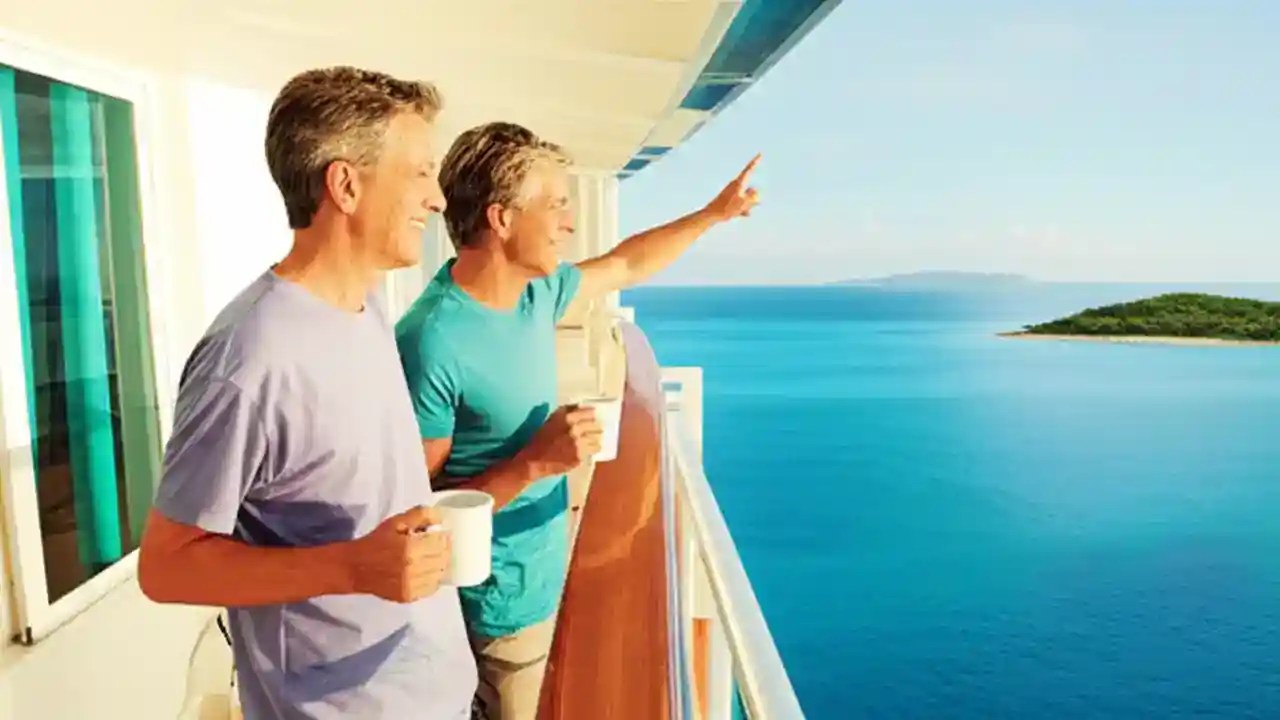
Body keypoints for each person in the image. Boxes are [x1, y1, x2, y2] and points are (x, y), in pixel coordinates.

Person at [137, 66, 477, 719]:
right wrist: (351, 568)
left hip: (429, 691)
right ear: (345, 184)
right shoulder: (250, 358)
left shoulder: (367, 305)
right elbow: (167, 566)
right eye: (420, 172)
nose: (437, 199)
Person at [394, 121, 760, 719]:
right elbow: (415, 512)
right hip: (494, 615)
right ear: (501, 219)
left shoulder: (534, 294)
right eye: (556, 205)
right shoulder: (432, 341)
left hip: (546, 575)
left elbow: (624, 264)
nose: (569, 222)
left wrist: (712, 214)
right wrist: (536, 462)